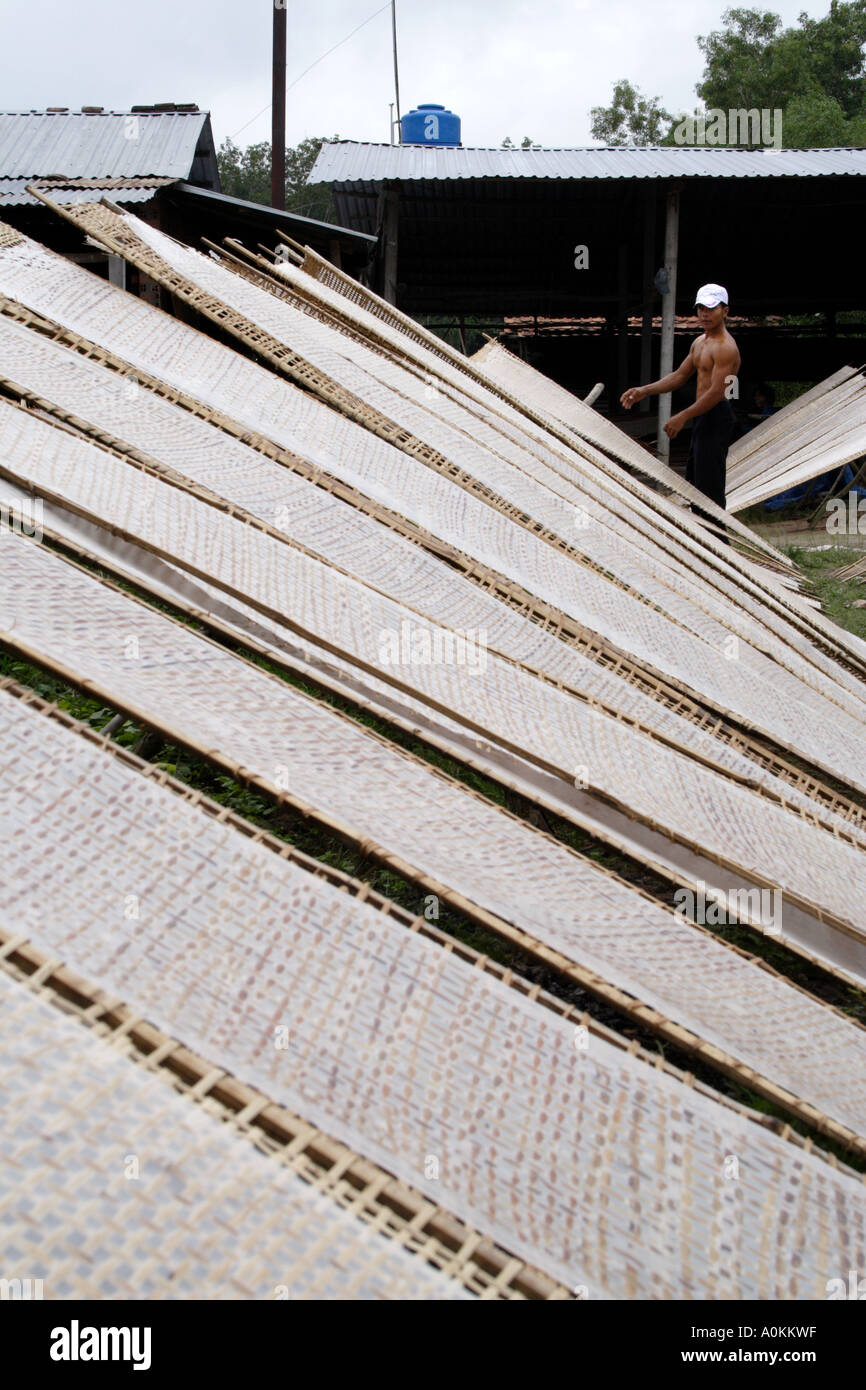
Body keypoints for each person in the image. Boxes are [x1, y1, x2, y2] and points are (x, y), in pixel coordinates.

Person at [620, 283, 741, 536]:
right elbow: (679, 376)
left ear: (725, 311)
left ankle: (718, 544)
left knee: (709, 489)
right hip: (702, 418)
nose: (704, 314)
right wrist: (644, 390)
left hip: (716, 416)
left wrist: (683, 416)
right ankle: (702, 539)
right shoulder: (700, 343)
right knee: (695, 483)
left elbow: (717, 393)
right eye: (701, 308)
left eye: (711, 308)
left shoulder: (725, 347)